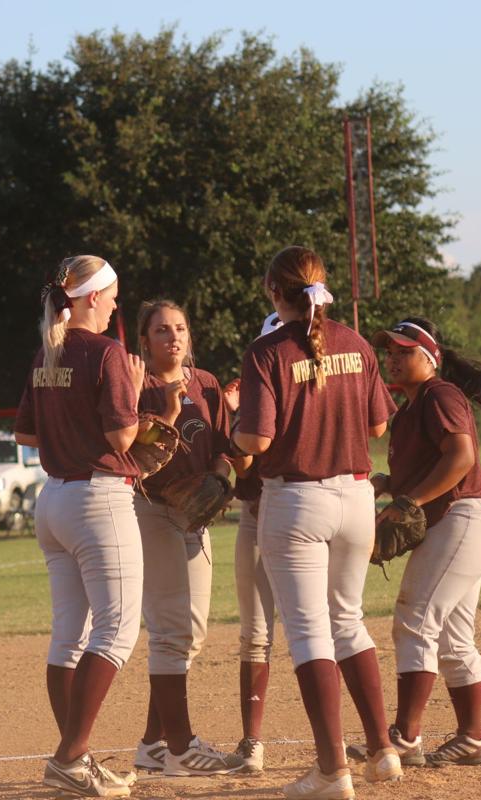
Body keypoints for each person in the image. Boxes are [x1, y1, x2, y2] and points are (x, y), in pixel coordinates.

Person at [235, 246, 401, 800]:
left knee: (309, 633)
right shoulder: (354, 341)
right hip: (356, 496)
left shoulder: (266, 351)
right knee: (348, 620)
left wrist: (229, 436)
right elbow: (379, 426)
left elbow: (256, 441)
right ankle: (382, 751)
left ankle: (332, 771)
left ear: (272, 291)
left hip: (297, 500)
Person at [14, 255, 146, 798]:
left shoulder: (48, 350)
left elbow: (26, 437)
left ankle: (79, 757)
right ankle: (70, 755)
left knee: (69, 635)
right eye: (111, 294)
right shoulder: (106, 351)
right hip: (99, 499)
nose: (116, 302)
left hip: (54, 501)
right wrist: (135, 394)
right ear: (92, 296)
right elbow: (122, 440)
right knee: (117, 632)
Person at [368, 316, 481, 768]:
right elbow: (417, 473)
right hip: (461, 526)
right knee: (454, 638)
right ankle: (472, 738)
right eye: (390, 351)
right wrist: (385, 483)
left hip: (465, 519)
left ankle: (405, 737)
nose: (393, 358)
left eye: (403, 350)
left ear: (429, 357)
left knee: (415, 617)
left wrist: (405, 501)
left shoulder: (440, 395)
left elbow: (461, 457)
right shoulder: (411, 411)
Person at [129, 299, 245, 777]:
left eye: (179, 328)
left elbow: (223, 449)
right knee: (170, 630)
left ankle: (154, 744)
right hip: (152, 509)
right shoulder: (138, 387)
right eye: (161, 330)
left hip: (194, 518)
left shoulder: (208, 385)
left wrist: (219, 478)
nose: (172, 337)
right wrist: (169, 412)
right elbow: (129, 449)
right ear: (145, 341)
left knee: (191, 634)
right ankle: (180, 747)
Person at [223, 311, 283, 776]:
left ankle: (344, 741)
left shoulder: (314, 387)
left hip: (301, 514)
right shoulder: (249, 391)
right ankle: (253, 743)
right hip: (256, 516)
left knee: (328, 627)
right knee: (256, 633)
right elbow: (243, 461)